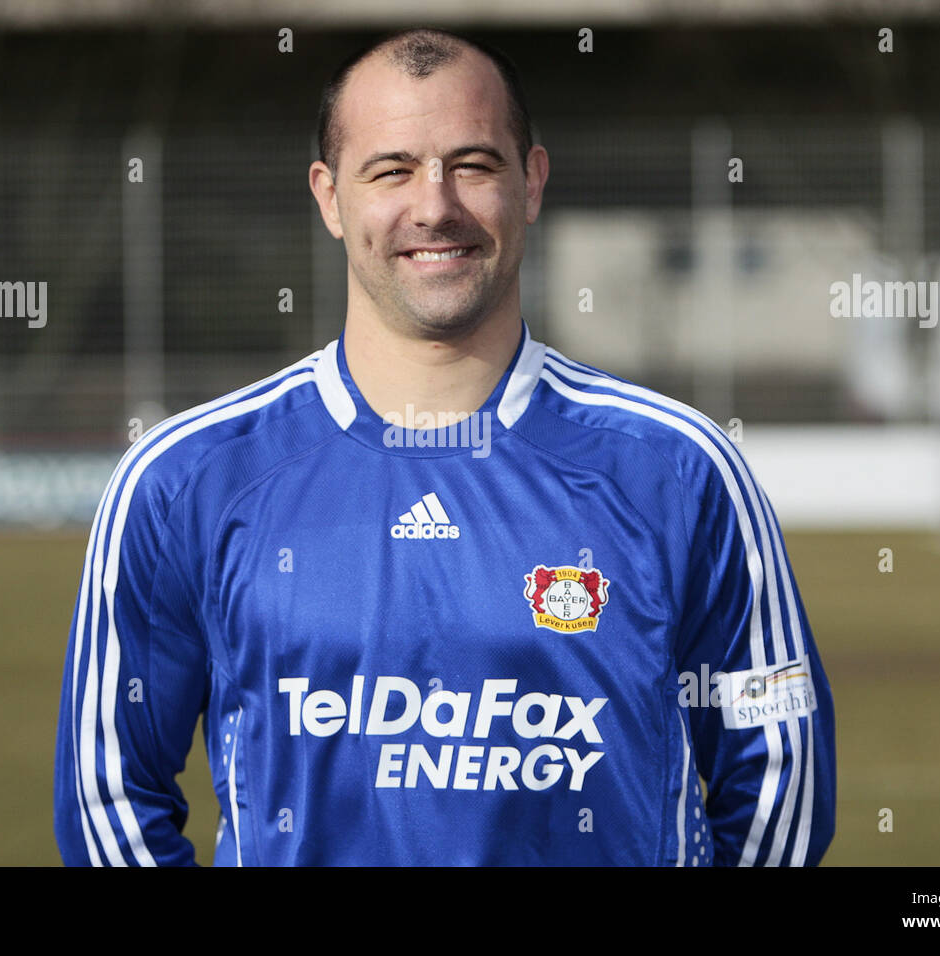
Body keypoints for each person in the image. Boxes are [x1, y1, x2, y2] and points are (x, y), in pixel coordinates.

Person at [54, 27, 835, 866]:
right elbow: (109, 801)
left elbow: (779, 782)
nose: (435, 206)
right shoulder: (186, 480)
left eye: (473, 165)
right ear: (329, 197)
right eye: (391, 170)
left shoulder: (675, 470)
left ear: (531, 183)